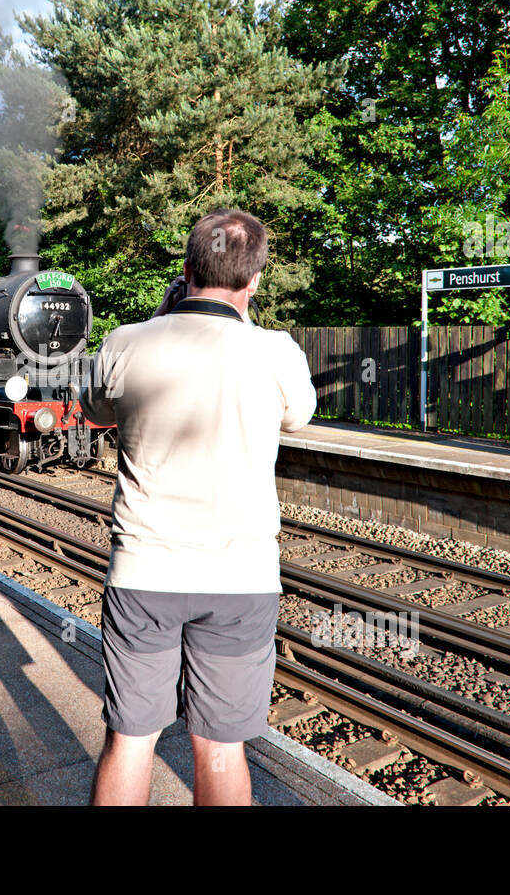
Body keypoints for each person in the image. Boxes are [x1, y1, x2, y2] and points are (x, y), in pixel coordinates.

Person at [80, 208, 317, 806]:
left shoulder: (125, 342)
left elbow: (96, 413)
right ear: (255, 280)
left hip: (144, 574)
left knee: (131, 740)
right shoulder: (277, 351)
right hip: (241, 578)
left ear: (185, 270)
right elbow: (298, 417)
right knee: (219, 748)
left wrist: (161, 320)